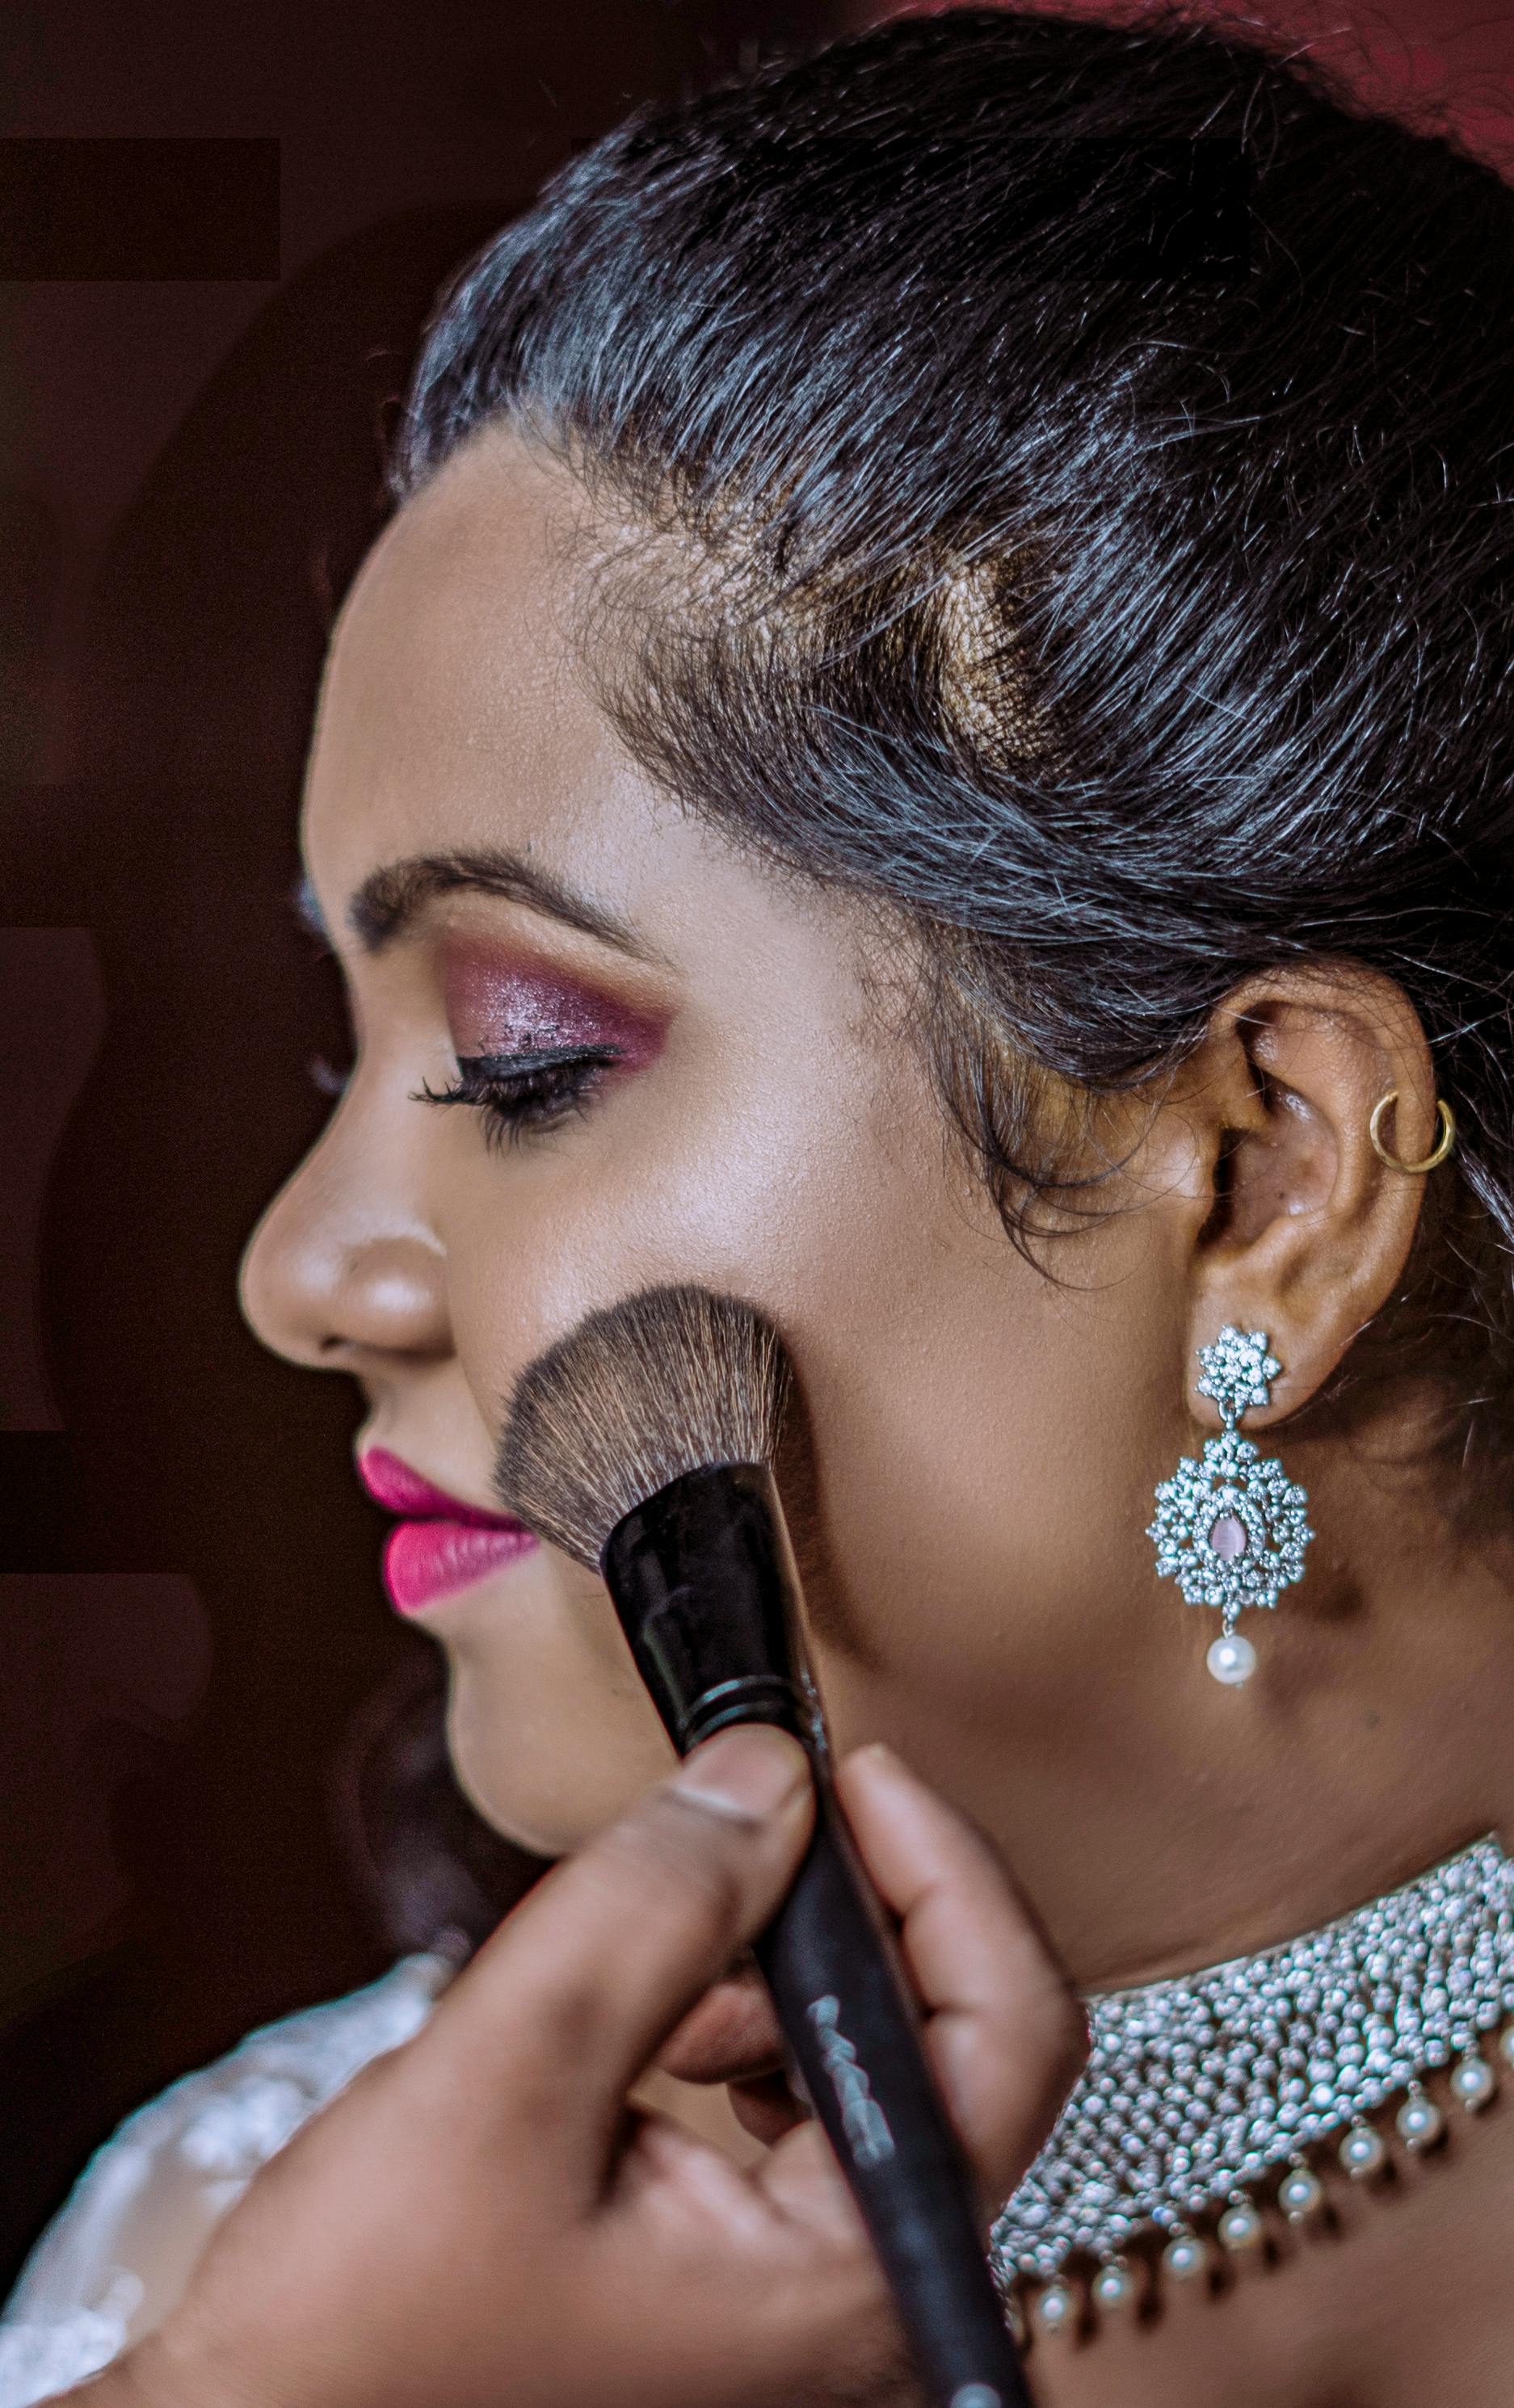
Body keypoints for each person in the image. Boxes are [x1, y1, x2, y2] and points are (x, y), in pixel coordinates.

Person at [7, 6, 1514, 2402]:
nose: (296, 1275)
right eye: (344, 1051)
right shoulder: (262, 2263)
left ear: (1262, 1182)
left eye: (516, 1065)